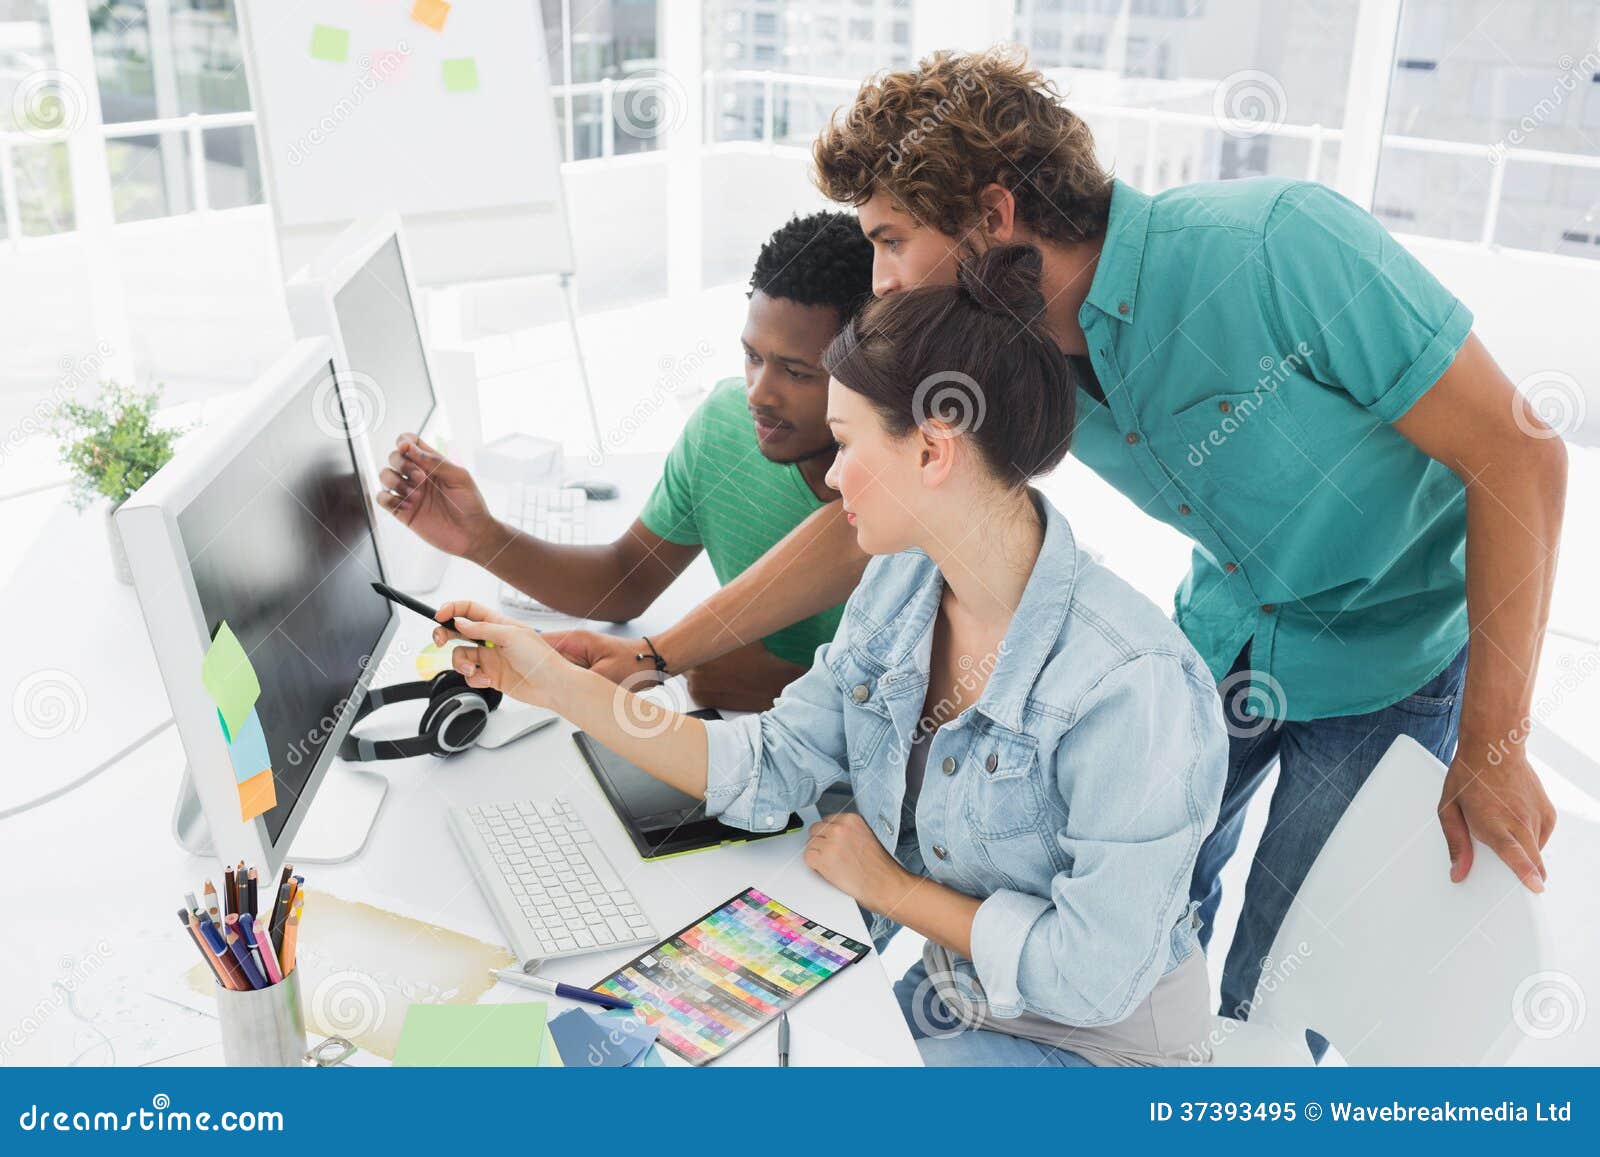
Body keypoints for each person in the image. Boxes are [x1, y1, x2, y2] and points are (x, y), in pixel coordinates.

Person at [545, 47, 1567, 1030]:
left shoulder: (1275, 248)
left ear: (993, 215)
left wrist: (1492, 740)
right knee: (1133, 927)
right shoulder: (1009, 336)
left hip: (1393, 652)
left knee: (1279, 975)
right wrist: (650, 654)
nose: (883, 278)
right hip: (1225, 631)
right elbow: (868, 521)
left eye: (892, 238)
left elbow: (1521, 455)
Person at [430, 246, 1228, 1066]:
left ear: (932, 449)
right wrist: (553, 681)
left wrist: (894, 890)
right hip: (958, 991)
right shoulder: (901, 585)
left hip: (1099, 1052)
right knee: (612, 1053)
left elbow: (1095, 976)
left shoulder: (1132, 684)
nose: (834, 477)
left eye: (846, 444)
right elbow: (771, 760)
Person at [375, 211, 873, 710]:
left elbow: (920, 702)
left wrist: (768, 684)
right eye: (752, 357)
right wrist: (482, 537)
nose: (759, 394)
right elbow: (626, 581)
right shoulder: (723, 427)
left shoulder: (909, 497)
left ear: (868, 369)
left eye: (796, 373)